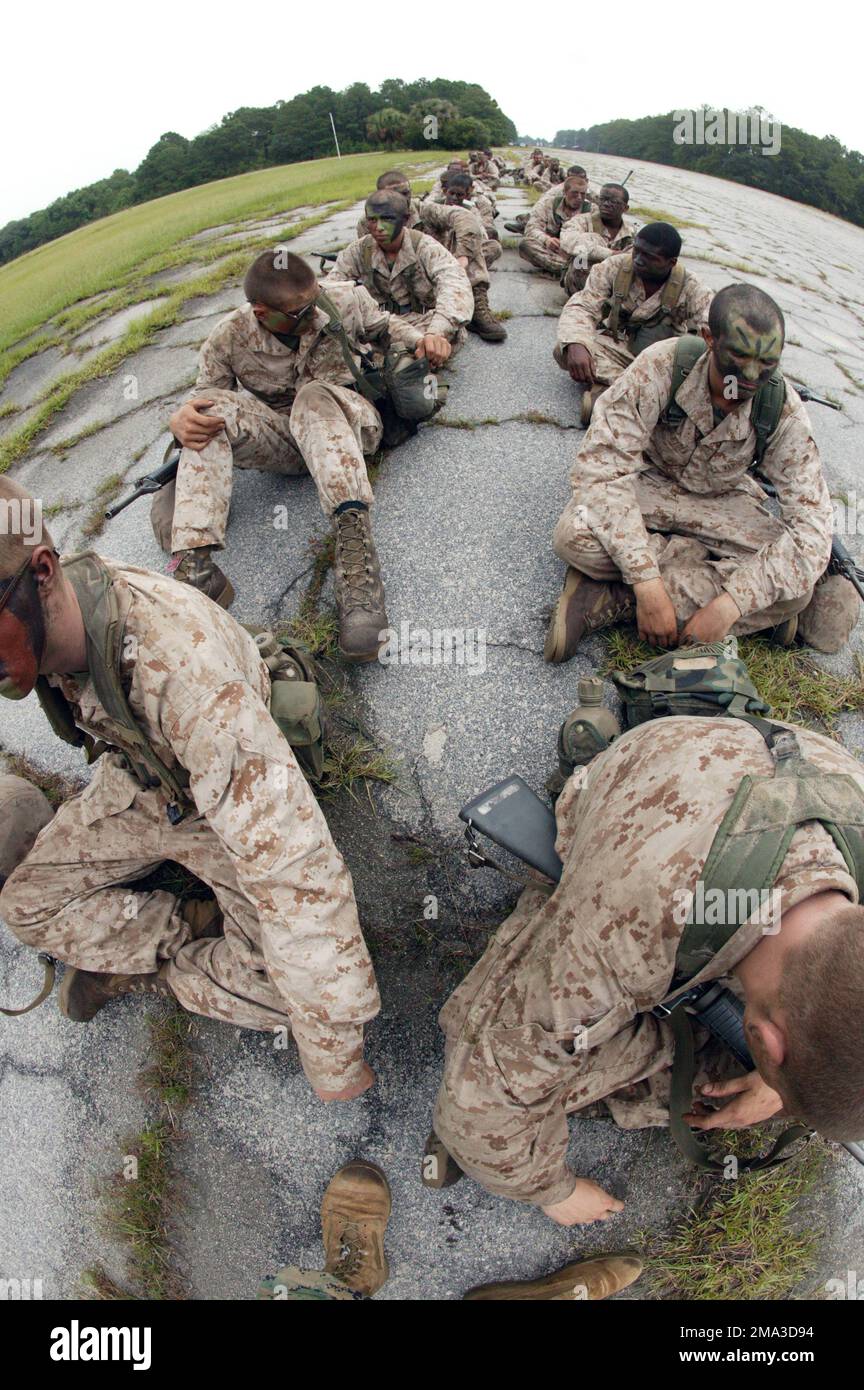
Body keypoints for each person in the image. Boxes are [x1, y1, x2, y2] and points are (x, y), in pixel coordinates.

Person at [0, 476, 380, 1101]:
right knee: (24, 907)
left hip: (214, 796)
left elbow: (299, 873)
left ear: (42, 572)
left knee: (301, 1001)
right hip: (144, 780)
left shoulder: (188, 684)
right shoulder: (54, 618)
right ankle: (188, 926)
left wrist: (336, 1060)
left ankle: (162, 971)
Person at [432, 710, 864, 1219]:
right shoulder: (621, 941)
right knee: (503, 1074)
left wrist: (777, 1079)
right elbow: (474, 1103)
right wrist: (552, 1191)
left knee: (757, 1071)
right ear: (770, 1036)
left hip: (717, 763)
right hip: (634, 807)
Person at [544, 284, 858, 663]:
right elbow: (602, 468)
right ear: (709, 338)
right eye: (738, 357)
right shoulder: (661, 366)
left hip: (723, 502)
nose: (750, 377)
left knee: (798, 590)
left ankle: (606, 599)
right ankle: (698, 576)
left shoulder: (782, 411)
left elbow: (812, 532)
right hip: (649, 485)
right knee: (572, 536)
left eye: (767, 364)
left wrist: (730, 605)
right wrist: (646, 580)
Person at [153, 249, 438, 659]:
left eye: (314, 301)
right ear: (261, 312)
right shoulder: (229, 337)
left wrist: (424, 339)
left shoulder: (343, 299)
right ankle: (196, 565)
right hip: (288, 440)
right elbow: (204, 394)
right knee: (209, 411)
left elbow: (385, 326)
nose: (314, 316)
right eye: (300, 313)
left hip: (350, 422)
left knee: (313, 394)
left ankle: (356, 563)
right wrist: (179, 419)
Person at [555, 223, 714, 423]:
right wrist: (576, 342)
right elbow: (583, 306)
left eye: (650, 257)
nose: (638, 260)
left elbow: (711, 330)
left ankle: (608, 395)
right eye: (636, 251)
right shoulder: (614, 266)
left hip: (660, 363)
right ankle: (637, 399)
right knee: (565, 351)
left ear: (671, 262)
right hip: (617, 349)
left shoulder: (692, 287)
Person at [331, 188, 503, 344]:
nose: (379, 227)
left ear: (405, 219)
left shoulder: (425, 246)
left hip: (423, 322)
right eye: (372, 220)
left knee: (433, 343)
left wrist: (436, 332)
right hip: (378, 322)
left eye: (387, 219)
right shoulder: (358, 250)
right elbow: (332, 288)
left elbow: (455, 286)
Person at [560, 183, 637, 294]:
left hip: (612, 281)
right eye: (602, 199)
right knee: (588, 242)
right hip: (579, 278)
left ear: (625, 208)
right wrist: (612, 254)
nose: (606, 204)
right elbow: (572, 243)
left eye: (613, 202)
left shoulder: (631, 231)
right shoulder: (581, 221)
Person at [518, 172, 597, 277]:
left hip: (579, 253)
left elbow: (600, 239)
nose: (579, 197)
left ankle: (572, 271)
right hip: (553, 250)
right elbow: (531, 229)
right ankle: (569, 271)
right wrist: (547, 240)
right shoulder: (547, 204)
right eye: (575, 193)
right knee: (526, 244)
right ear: (564, 192)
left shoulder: (593, 210)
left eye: (583, 194)